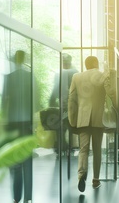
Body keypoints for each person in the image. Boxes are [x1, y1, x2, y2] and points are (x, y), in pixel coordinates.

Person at [68, 55, 114, 193]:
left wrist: (73, 120)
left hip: (82, 118)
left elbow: (71, 100)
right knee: (97, 150)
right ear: (95, 63)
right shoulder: (101, 76)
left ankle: (82, 175)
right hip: (97, 118)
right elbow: (110, 92)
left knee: (83, 149)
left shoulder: (77, 77)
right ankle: (95, 180)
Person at [2, 50, 36, 203]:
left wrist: (3, 125)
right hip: (27, 124)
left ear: (14, 59)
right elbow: (36, 100)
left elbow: (4, 104)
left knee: (14, 163)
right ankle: (27, 201)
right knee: (27, 162)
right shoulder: (31, 77)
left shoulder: (8, 78)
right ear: (25, 59)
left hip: (12, 124)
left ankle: (16, 202)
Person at [49, 54, 79, 155]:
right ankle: (66, 146)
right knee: (65, 127)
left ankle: (65, 146)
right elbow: (56, 89)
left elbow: (56, 89)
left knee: (66, 127)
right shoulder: (73, 73)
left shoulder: (72, 73)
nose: (64, 64)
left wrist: (52, 102)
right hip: (65, 105)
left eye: (66, 62)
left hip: (67, 105)